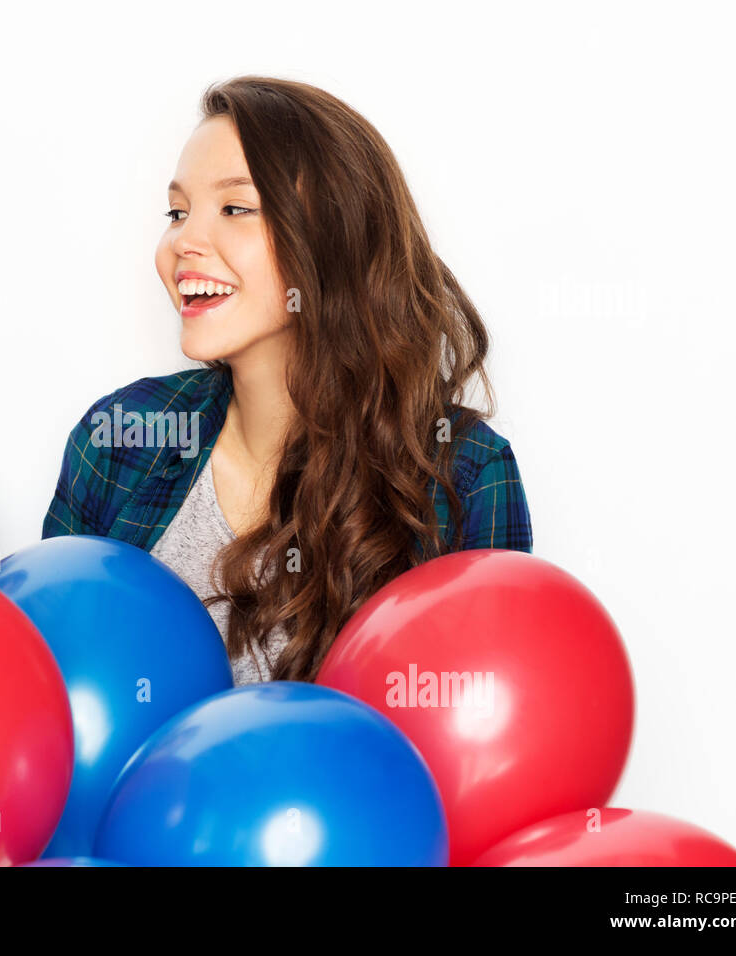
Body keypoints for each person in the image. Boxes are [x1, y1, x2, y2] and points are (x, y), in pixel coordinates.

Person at [43, 76, 532, 686]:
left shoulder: (464, 474)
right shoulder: (119, 438)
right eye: (177, 212)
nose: (182, 242)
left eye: (235, 208)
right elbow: (44, 691)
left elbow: (482, 734)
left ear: (333, 236)